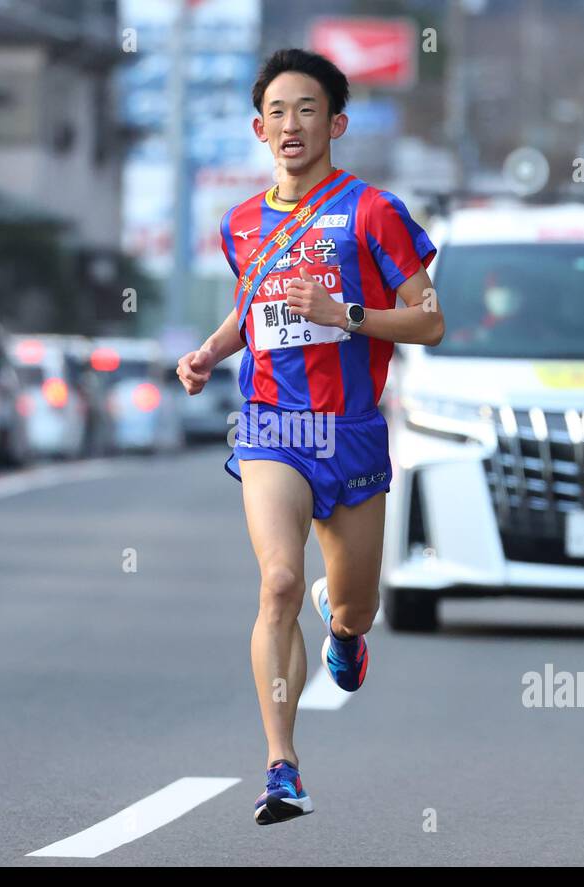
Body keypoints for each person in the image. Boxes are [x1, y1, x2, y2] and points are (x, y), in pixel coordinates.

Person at [176, 49, 444, 825]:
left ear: (337, 122)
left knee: (351, 605)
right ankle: (281, 767)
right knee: (279, 583)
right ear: (259, 129)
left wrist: (346, 316)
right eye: (278, 113)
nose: (291, 125)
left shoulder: (374, 212)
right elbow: (251, 303)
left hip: (353, 435)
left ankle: (349, 632)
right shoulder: (242, 222)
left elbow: (429, 319)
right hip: (271, 429)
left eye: (307, 110)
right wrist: (208, 353)